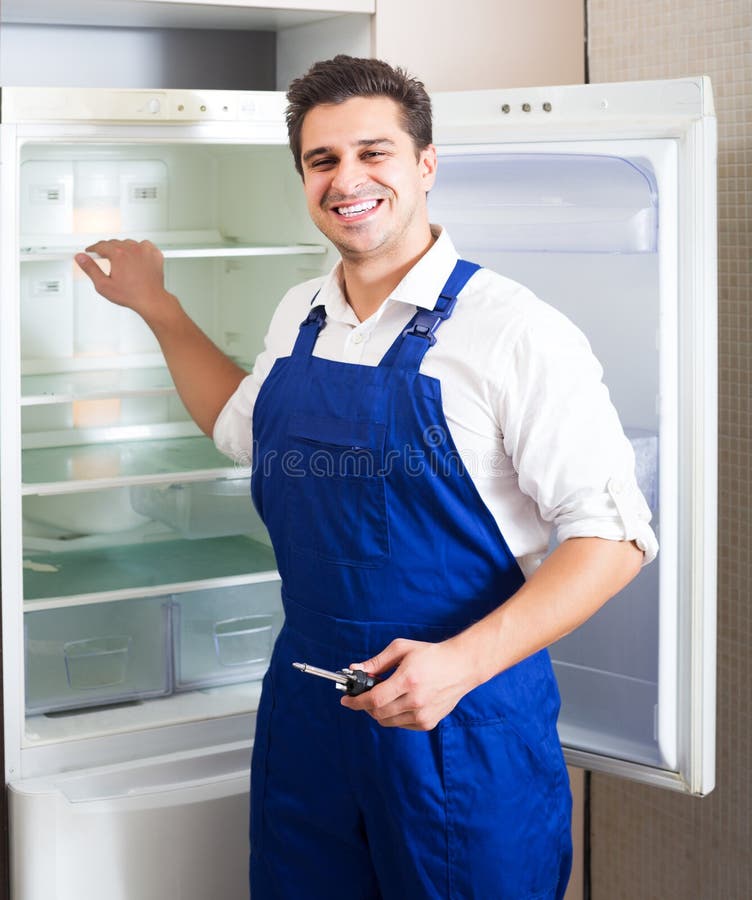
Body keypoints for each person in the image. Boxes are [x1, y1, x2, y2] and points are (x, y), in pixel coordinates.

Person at [76, 55, 657, 900]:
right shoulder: (300, 314)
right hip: (310, 709)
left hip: (461, 721)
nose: (348, 179)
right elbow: (241, 428)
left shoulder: (516, 333)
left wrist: (456, 666)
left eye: (374, 152)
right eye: (323, 160)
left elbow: (614, 541)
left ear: (425, 164)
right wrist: (158, 306)